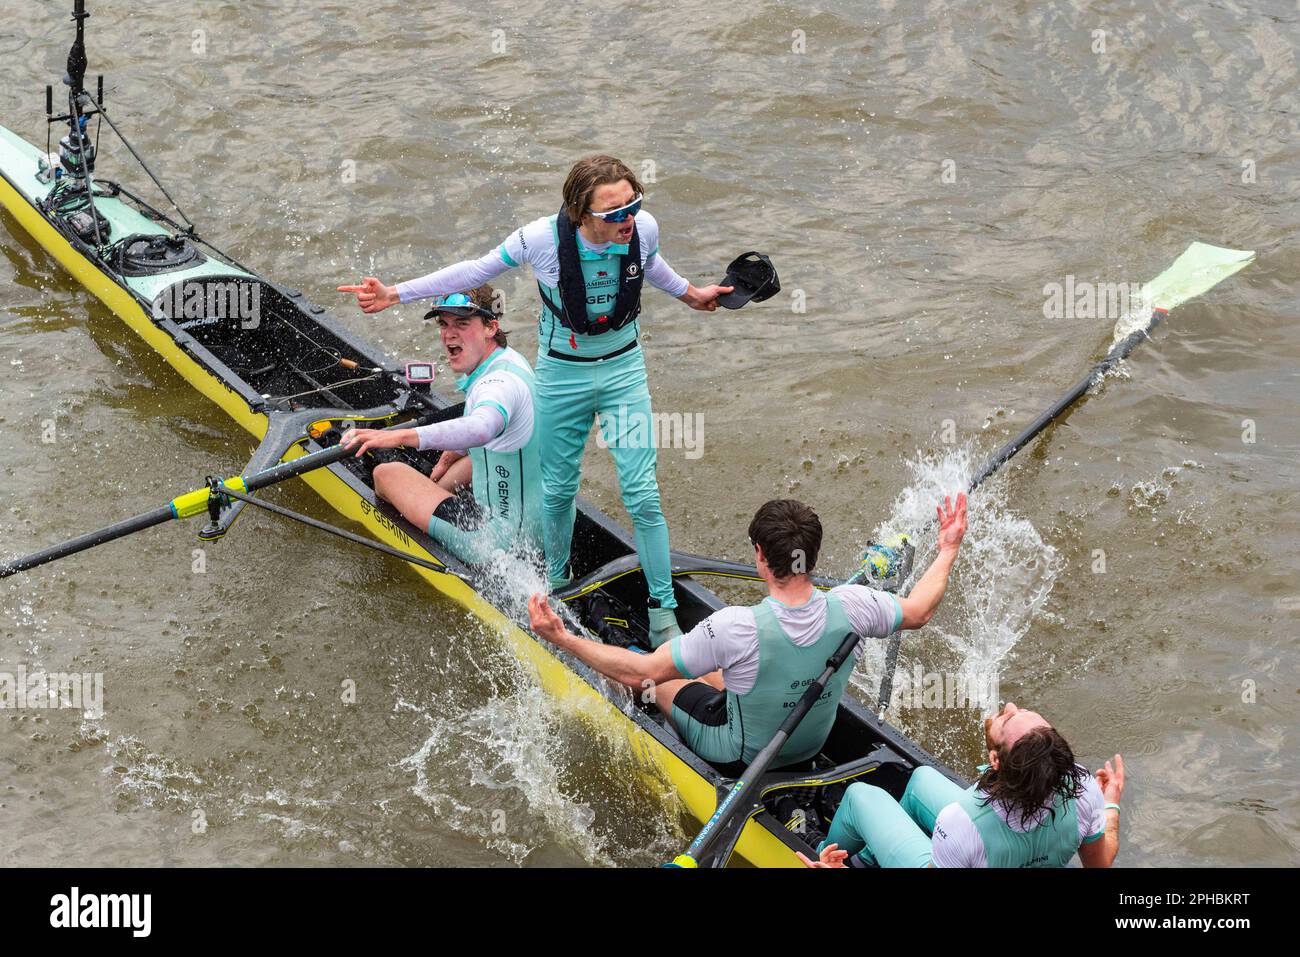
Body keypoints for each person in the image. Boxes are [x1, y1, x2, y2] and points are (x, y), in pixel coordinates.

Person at [338, 155, 733, 648]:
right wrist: (395, 293)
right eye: (613, 213)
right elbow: (476, 268)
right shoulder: (541, 239)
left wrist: (693, 295)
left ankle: (663, 615)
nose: (627, 219)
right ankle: (561, 590)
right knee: (560, 490)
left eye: (633, 204)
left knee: (643, 495)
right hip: (562, 376)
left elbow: (650, 265)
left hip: (623, 372)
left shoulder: (642, 228)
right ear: (579, 214)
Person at [528, 495, 969, 773]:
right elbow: (921, 611)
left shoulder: (736, 627)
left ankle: (630, 692)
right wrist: (948, 547)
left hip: (741, 756)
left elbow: (639, 672)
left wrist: (562, 638)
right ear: (811, 557)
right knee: (726, 677)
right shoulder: (856, 605)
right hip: (810, 742)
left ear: (759, 555)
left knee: (653, 679)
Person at [338, 285, 542, 566]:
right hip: (541, 534)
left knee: (387, 473)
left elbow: (482, 428)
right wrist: (459, 449)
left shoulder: (497, 384)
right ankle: (436, 500)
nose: (449, 334)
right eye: (444, 324)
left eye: (462, 323)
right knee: (457, 463)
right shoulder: (511, 362)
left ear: (490, 327)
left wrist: (398, 437)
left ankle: (429, 534)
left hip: (497, 546)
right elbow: (491, 429)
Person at [799, 703, 1126, 868]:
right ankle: (865, 859)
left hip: (966, 847)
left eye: (1009, 720)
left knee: (860, 796)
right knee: (920, 780)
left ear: (996, 762)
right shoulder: (1082, 786)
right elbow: (1100, 863)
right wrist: (1110, 802)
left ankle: (823, 852)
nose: (1009, 707)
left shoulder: (962, 823)